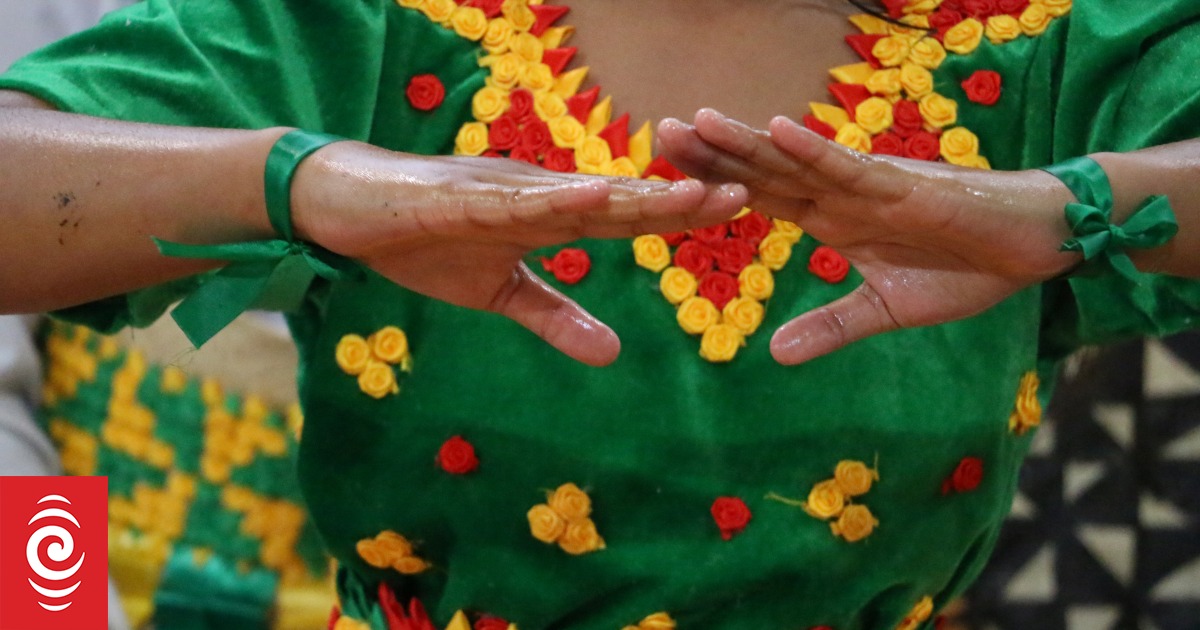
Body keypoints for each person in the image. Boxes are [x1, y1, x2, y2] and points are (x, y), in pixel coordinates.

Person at [1, 0, 1199, 628]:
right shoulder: (366, 28)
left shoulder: (1041, 46)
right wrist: (301, 182)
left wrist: (1070, 211)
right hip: (94, 536)